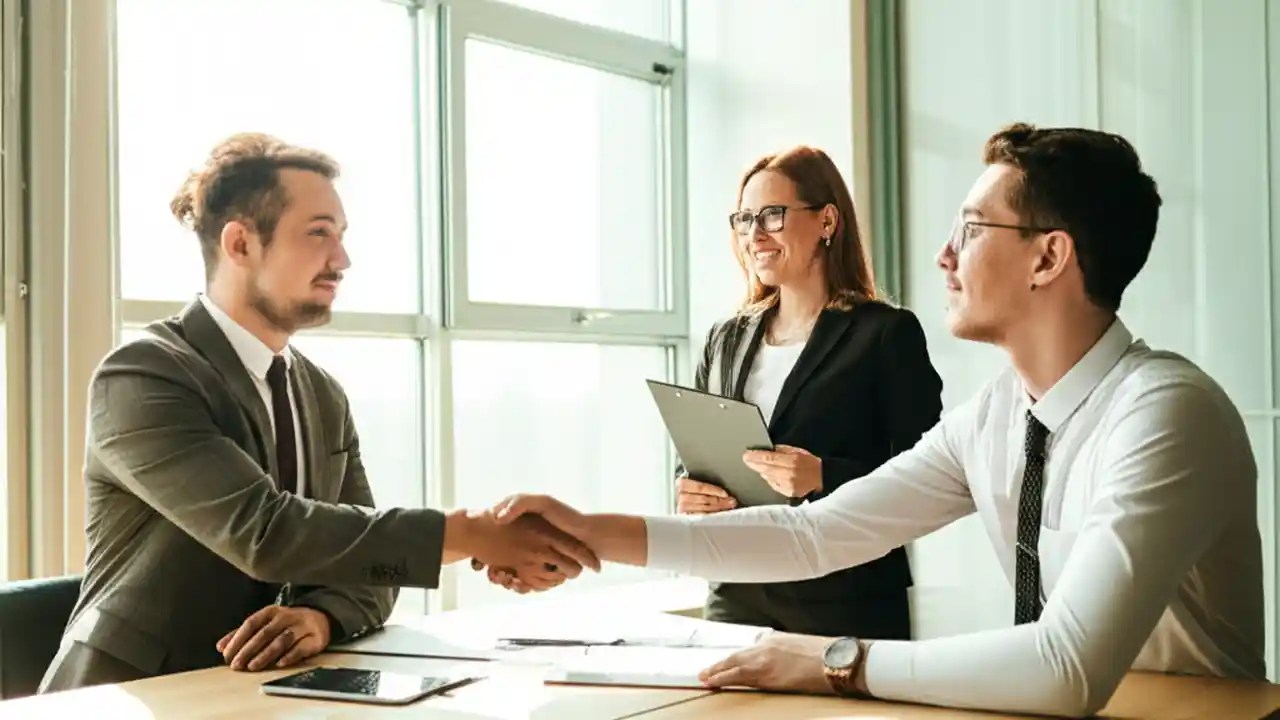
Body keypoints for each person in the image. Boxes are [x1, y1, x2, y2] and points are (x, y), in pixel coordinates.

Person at [482, 123, 1265, 718]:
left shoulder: (1165, 415)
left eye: (972, 228)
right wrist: (590, 530)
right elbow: (813, 534)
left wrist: (834, 659)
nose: (944, 256)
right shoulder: (993, 417)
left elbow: (1065, 668)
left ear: (1048, 257)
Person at [40, 133, 598, 693]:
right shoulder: (143, 376)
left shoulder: (321, 393)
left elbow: (368, 568)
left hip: (264, 694)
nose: (342, 259)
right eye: (318, 234)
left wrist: (321, 617)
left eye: (341, 235)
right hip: (128, 695)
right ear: (240, 244)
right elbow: (266, 531)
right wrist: (472, 535)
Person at [674, 145, 941, 639]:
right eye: (744, 219)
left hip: (844, 599)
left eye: (772, 216)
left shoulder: (885, 333)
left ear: (827, 221)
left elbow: (928, 478)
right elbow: (696, 449)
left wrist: (823, 476)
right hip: (737, 590)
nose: (755, 235)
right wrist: (689, 490)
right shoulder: (725, 337)